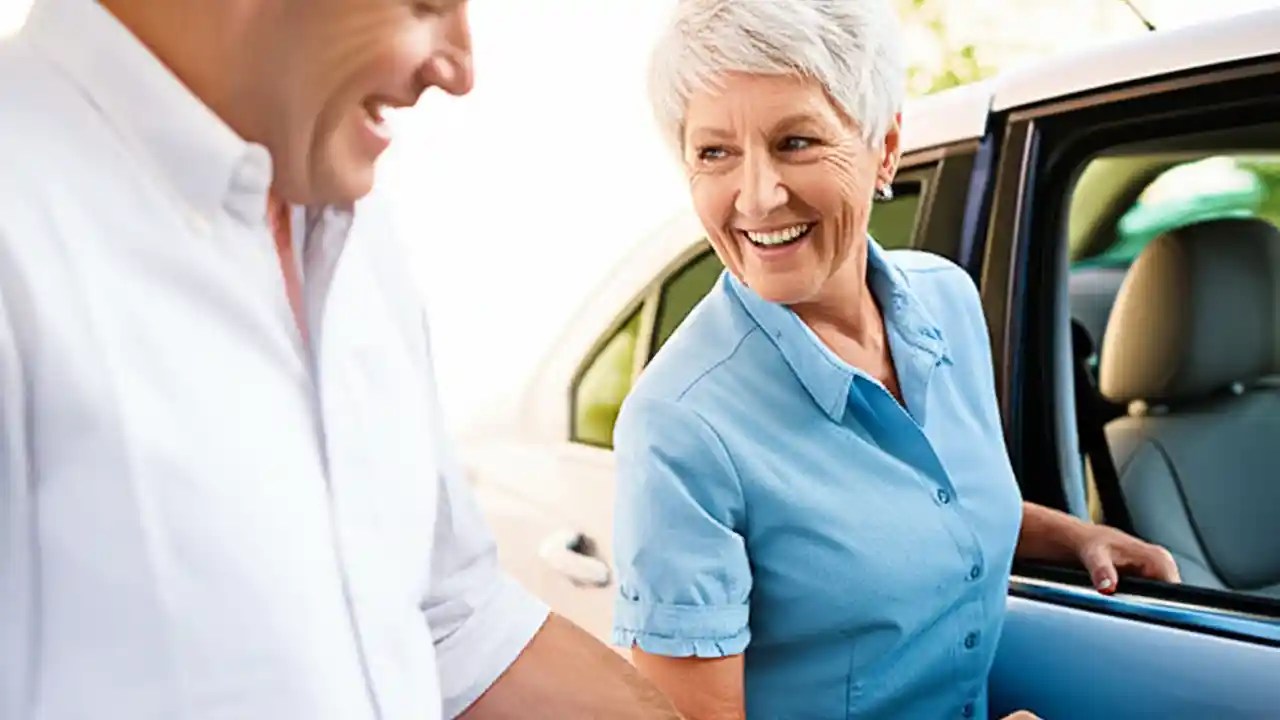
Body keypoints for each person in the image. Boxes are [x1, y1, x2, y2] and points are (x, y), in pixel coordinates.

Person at [0, 1, 680, 718]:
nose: (458, 70)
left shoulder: (349, 233)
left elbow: (456, 627)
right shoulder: (20, 231)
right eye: (426, 5)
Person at [609, 1, 1182, 718]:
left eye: (795, 142)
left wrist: (1070, 536)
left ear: (884, 148)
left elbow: (924, 505)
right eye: (715, 153)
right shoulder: (679, 427)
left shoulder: (949, 302)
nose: (756, 197)